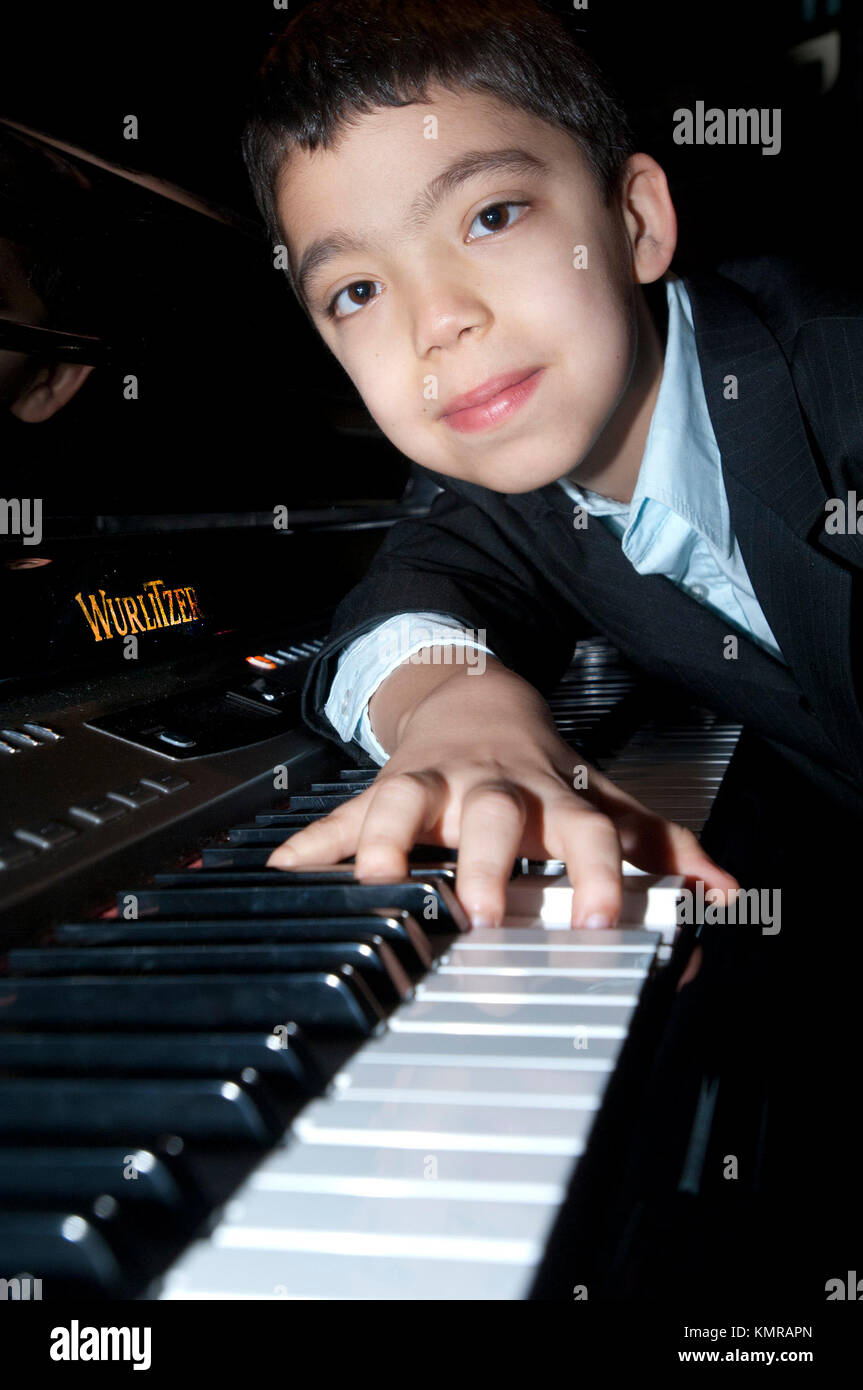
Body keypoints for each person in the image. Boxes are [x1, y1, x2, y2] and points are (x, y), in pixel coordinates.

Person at [241, 0, 863, 1300]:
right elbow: (412, 587)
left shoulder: (837, 373)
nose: (436, 321)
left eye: (489, 216)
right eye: (356, 290)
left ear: (635, 220)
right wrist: (456, 714)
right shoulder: (517, 479)